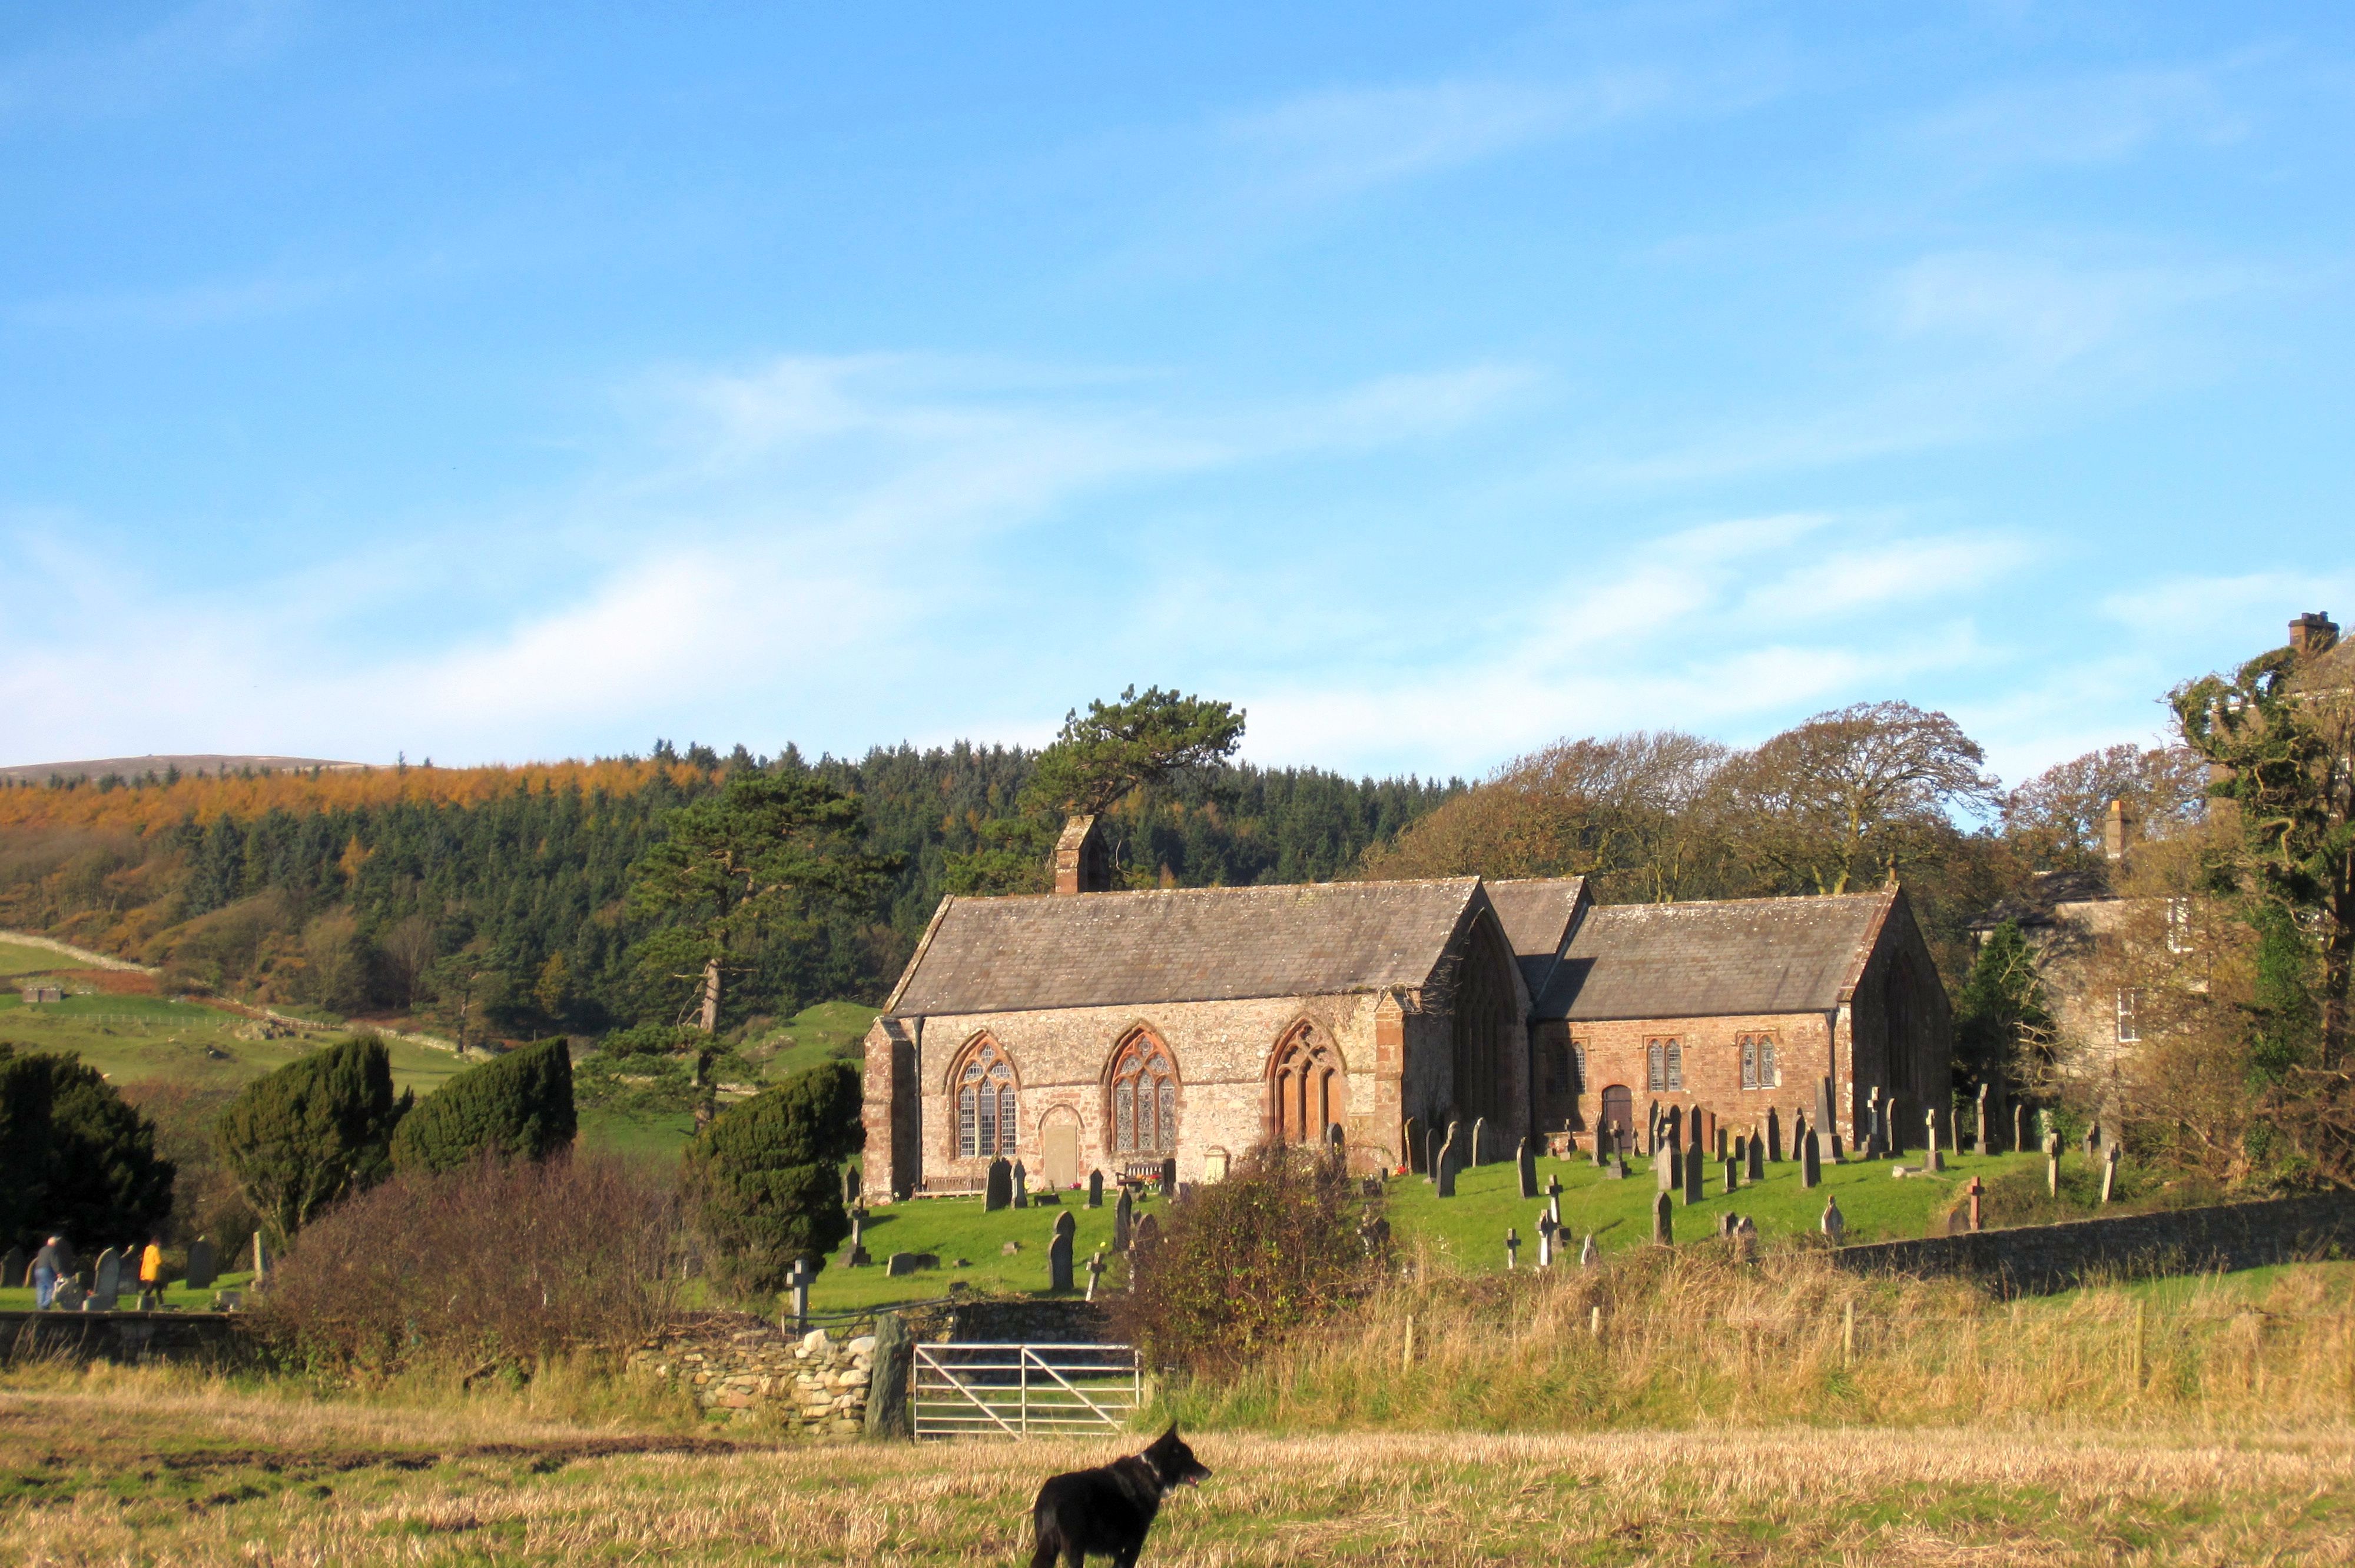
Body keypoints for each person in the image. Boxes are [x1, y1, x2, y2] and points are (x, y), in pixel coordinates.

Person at [31, 1235, 68, 1310]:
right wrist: (59, 1272)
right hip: (46, 1270)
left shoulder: (42, 1250)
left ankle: (41, 1306)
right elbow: (54, 1262)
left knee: (41, 1288)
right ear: (54, 1243)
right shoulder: (53, 1250)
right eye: (57, 1243)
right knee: (51, 1288)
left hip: (38, 1270)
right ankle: (45, 1305)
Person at [138, 1236, 166, 1307]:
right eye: (159, 1242)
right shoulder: (156, 1250)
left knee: (156, 1288)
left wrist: (142, 1273)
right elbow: (158, 1262)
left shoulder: (147, 1250)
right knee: (152, 1289)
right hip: (154, 1273)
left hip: (147, 1272)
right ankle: (143, 1302)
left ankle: (162, 1304)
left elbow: (144, 1262)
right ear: (157, 1242)